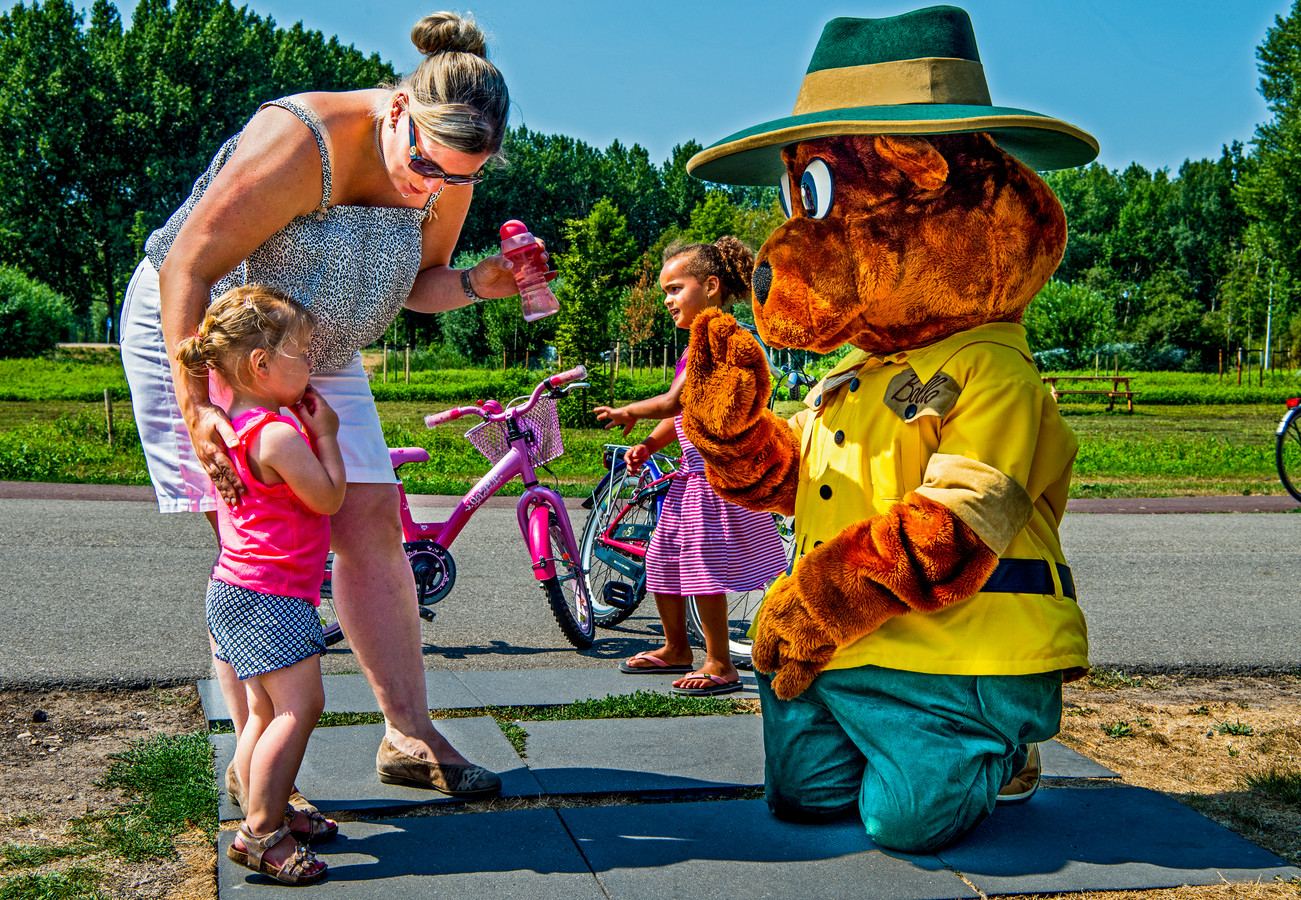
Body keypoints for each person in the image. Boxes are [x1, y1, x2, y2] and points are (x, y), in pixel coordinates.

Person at [119, 11, 527, 805]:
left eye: (455, 179)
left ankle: (409, 734)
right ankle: (260, 769)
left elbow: (419, 283)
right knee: (262, 546)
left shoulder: (449, 162)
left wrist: (482, 283)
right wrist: (199, 403)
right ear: (397, 109)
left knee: (370, 519)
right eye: (425, 167)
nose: (430, 189)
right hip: (218, 332)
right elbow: (188, 271)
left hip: (319, 347)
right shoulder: (301, 137)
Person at [176, 286, 342, 885]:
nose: (312, 363)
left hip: (235, 588)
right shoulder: (278, 436)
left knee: (263, 712)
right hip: (272, 596)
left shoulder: (239, 428)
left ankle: (260, 810)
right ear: (261, 365)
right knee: (301, 706)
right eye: (302, 351)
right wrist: (327, 436)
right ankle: (262, 832)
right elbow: (327, 497)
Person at [594, 237, 788, 696]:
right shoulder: (698, 344)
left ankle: (720, 662)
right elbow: (684, 413)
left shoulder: (723, 339)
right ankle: (675, 647)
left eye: (676, 288)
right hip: (692, 477)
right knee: (662, 561)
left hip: (716, 480)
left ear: (712, 286)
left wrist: (631, 412)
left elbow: (673, 400)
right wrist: (649, 442)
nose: (667, 300)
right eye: (665, 291)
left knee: (704, 570)